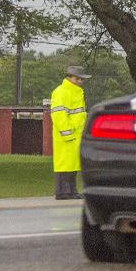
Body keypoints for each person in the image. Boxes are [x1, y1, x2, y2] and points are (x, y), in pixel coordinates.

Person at [50, 65, 91, 200]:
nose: (81, 81)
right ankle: (63, 192)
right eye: (79, 79)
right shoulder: (61, 92)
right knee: (64, 165)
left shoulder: (75, 92)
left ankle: (71, 191)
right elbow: (58, 115)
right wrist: (67, 134)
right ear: (71, 78)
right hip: (66, 136)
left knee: (72, 164)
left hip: (75, 135)